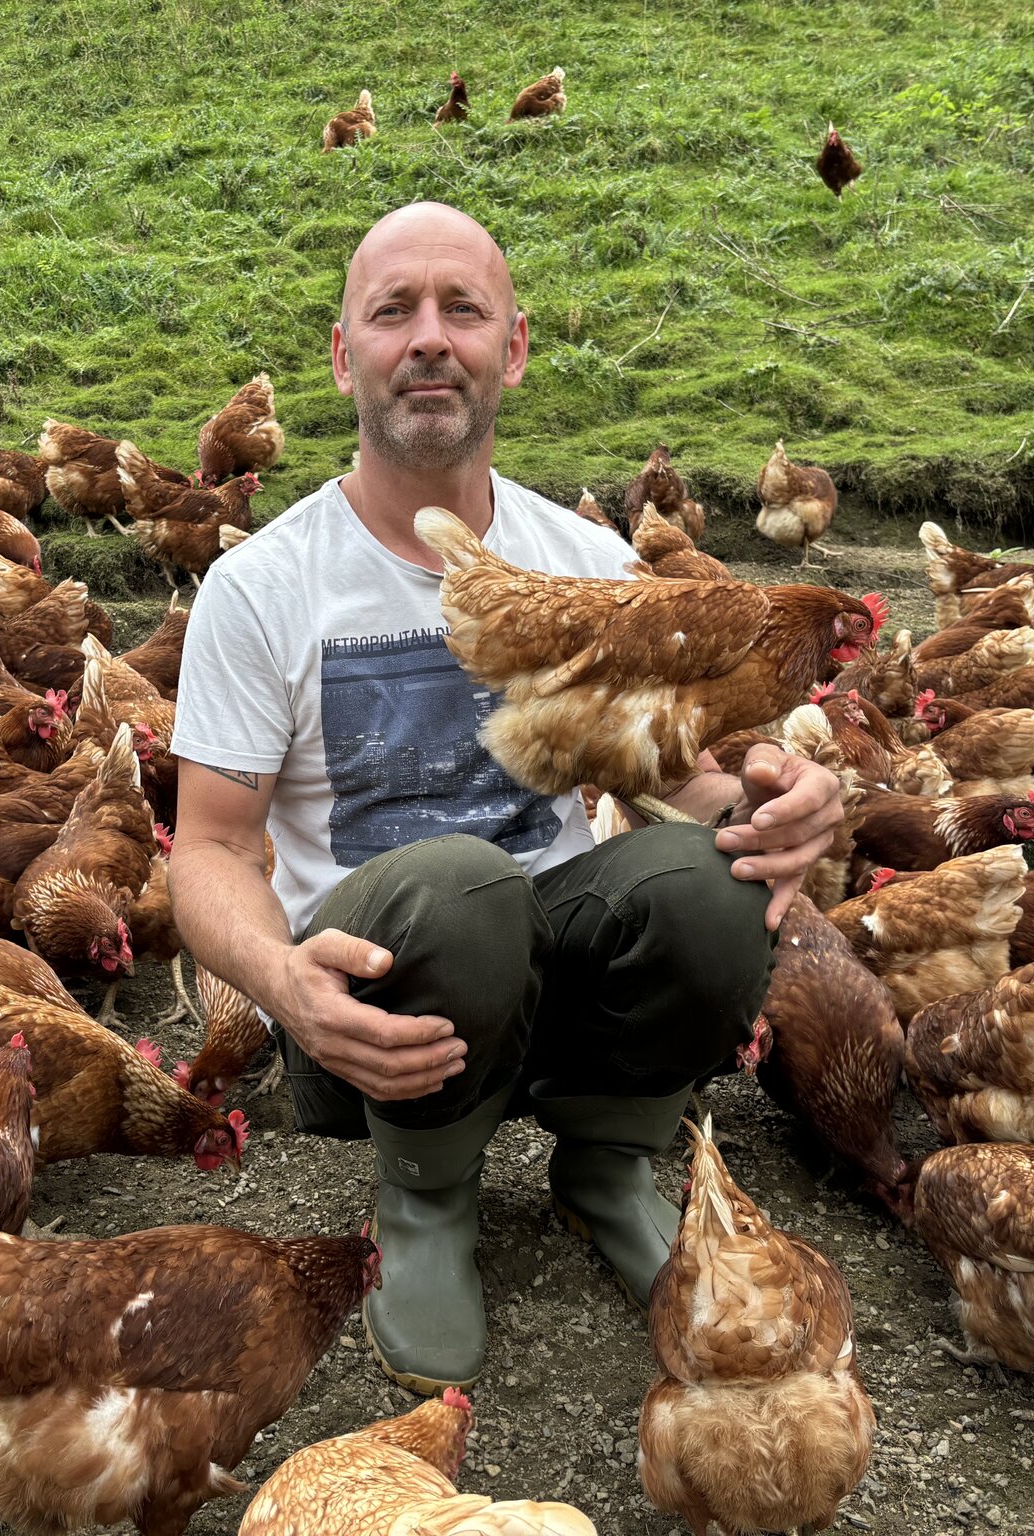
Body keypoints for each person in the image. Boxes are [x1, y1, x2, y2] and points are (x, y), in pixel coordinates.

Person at [168, 201, 844, 1395]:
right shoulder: (261, 586)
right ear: (344, 356)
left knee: (712, 886)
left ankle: (607, 1159)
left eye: (462, 310)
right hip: (375, 1019)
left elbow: (674, 774)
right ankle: (425, 1196)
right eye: (392, 311)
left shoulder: (587, 563)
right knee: (459, 884)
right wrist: (280, 985)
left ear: (512, 348)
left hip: (560, 987)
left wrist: (769, 802)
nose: (429, 337)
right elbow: (209, 848)